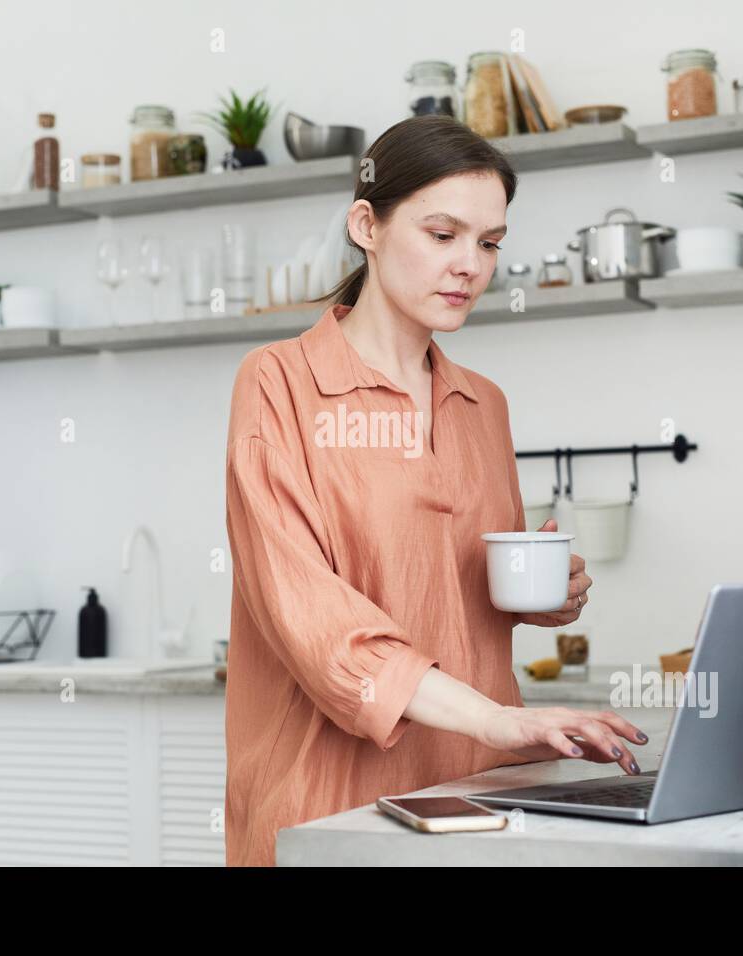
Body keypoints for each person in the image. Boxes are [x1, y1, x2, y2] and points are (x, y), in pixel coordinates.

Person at [223, 114, 647, 867]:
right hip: (332, 800)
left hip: (479, 796)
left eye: (489, 244)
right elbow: (313, 618)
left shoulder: (483, 403)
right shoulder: (280, 383)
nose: (470, 266)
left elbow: (461, 589)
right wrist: (495, 719)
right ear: (368, 225)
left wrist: (549, 594)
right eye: (442, 234)